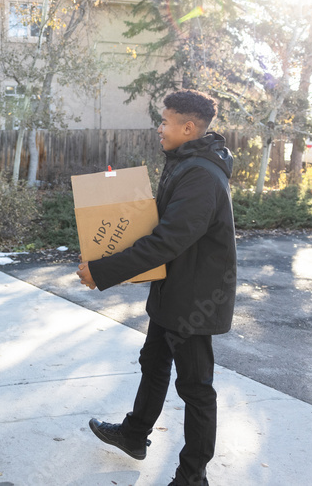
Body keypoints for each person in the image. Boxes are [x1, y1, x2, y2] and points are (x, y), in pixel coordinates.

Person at [76, 89, 236, 486]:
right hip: (174, 292)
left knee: (196, 390)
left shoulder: (201, 174)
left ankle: (192, 478)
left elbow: (167, 240)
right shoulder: (186, 163)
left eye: (164, 121)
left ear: (187, 126)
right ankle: (134, 434)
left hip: (194, 300)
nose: (159, 128)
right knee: (154, 362)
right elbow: (158, 222)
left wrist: (103, 270)